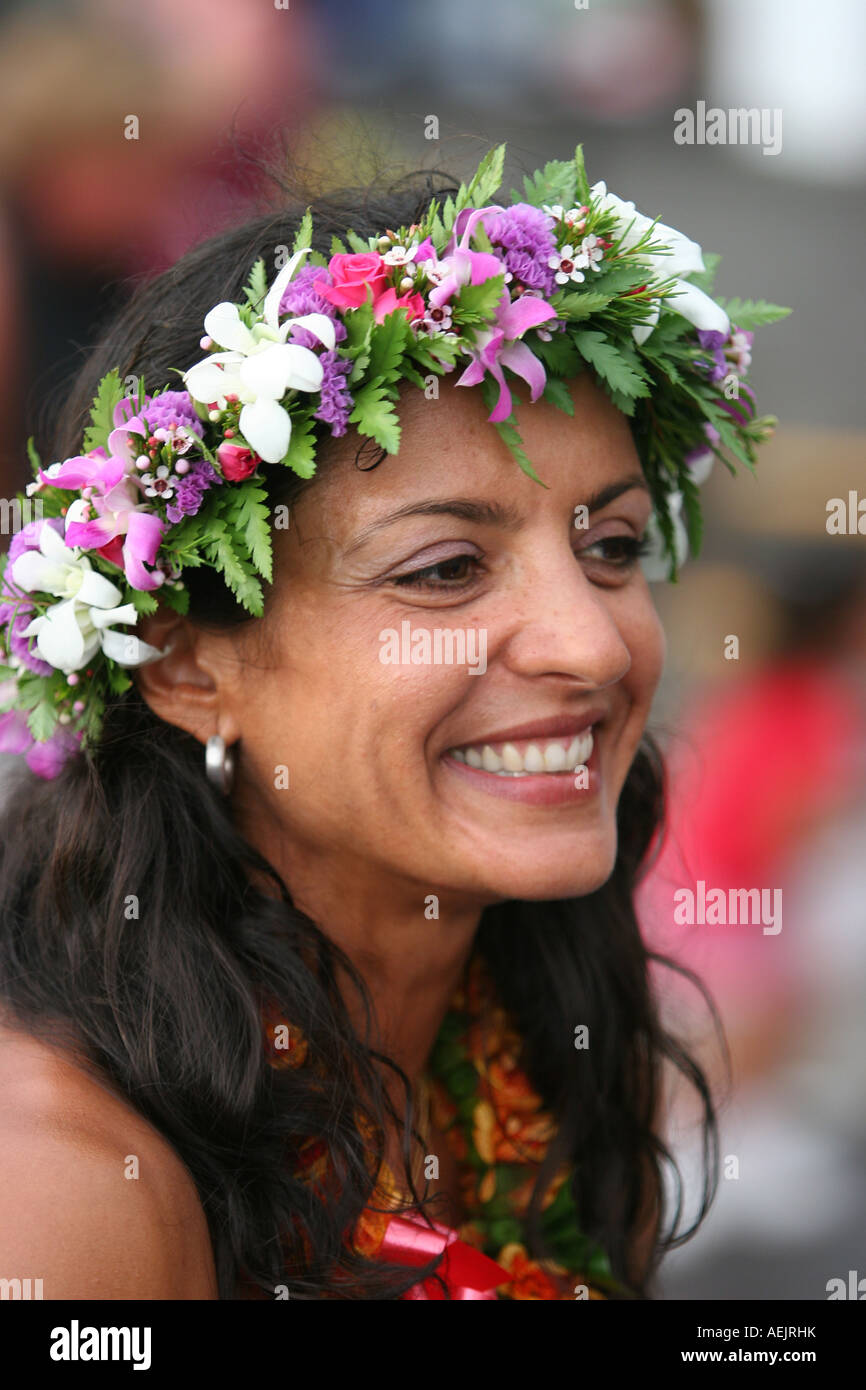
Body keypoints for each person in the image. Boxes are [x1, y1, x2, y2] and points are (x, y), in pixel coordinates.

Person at [0, 144, 786, 1300]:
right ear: (181, 665)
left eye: (609, 547)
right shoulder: (63, 1194)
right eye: (444, 569)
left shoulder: (556, 1043)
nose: (590, 643)